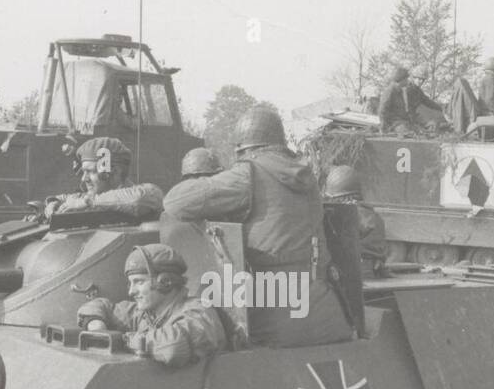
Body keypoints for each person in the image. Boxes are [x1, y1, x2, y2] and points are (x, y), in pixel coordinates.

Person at [162, 105, 354, 348]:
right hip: (328, 315)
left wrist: (206, 178)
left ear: (244, 148)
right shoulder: (306, 175)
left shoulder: (248, 173)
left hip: (277, 321)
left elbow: (175, 203)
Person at [76, 243, 227, 368]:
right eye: (131, 283)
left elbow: (173, 345)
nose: (131, 291)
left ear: (165, 282)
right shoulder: (147, 313)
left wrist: (124, 339)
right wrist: (96, 324)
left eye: (139, 282)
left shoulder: (198, 312)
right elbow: (101, 305)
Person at [45, 137, 163, 220]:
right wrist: (53, 204)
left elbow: (139, 199)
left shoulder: (148, 195)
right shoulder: (96, 195)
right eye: (83, 172)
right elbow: (65, 198)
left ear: (115, 172)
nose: (83, 179)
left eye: (90, 171)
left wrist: (87, 203)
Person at [322, 164, 387, 277]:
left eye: (332, 199)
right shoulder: (373, 215)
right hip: (371, 271)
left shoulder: (347, 216)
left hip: (351, 273)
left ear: (341, 197)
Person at [377, 65, 444, 133]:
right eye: (418, 78)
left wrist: (442, 108)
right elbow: (383, 109)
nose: (420, 81)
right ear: (413, 78)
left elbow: (427, 101)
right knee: (406, 131)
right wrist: (383, 126)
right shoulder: (396, 89)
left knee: (433, 125)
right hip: (396, 121)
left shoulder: (417, 91)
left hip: (410, 119)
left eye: (422, 80)